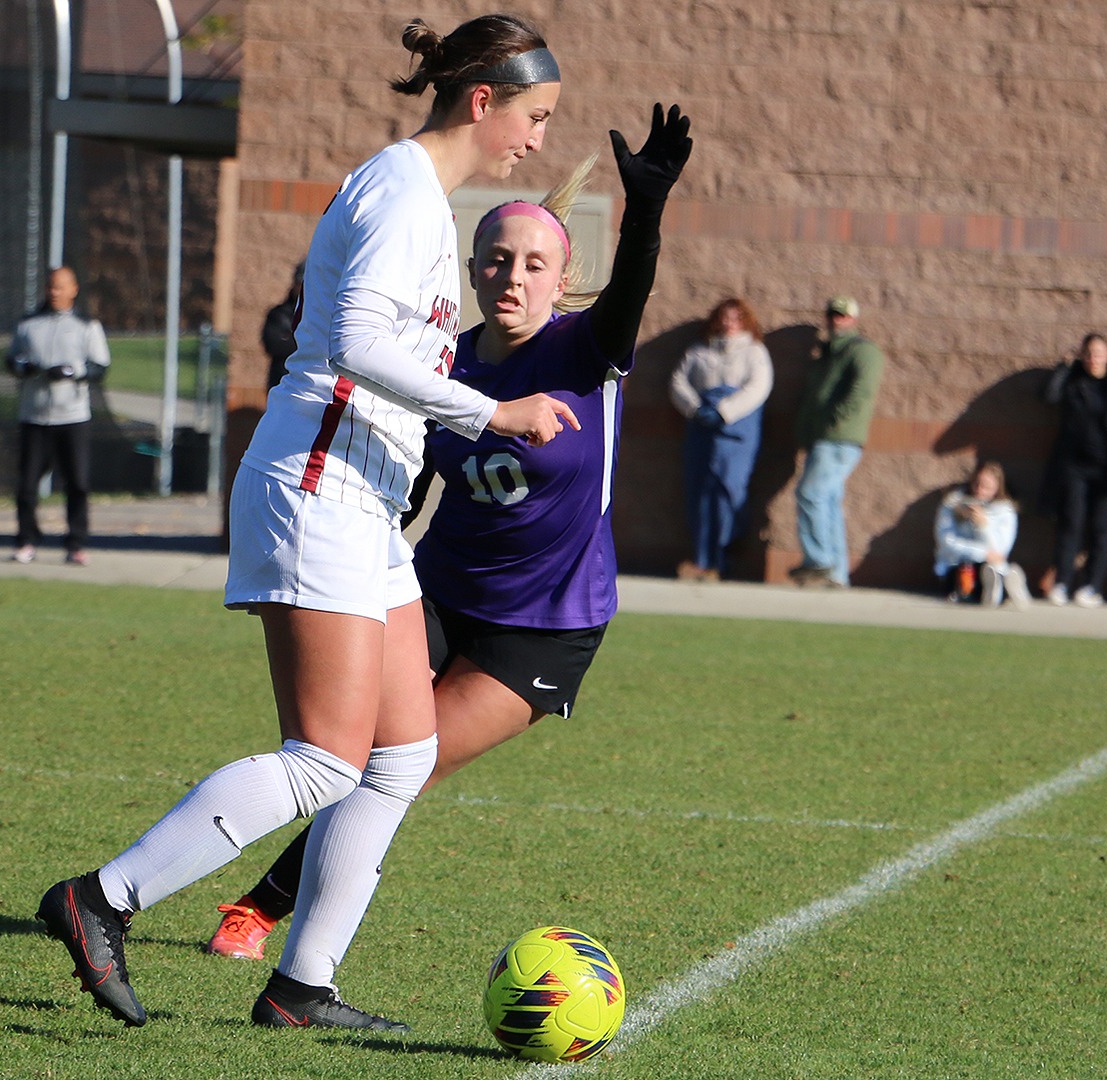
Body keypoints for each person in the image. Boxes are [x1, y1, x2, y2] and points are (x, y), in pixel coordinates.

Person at [35, 13, 577, 1033]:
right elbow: (352, 343)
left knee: (401, 754)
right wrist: (488, 410)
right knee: (325, 756)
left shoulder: (422, 197)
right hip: (317, 485)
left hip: (361, 501)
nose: (537, 139)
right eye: (535, 116)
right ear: (482, 101)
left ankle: (300, 986)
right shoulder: (403, 193)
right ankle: (102, 900)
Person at [208, 107, 690, 965]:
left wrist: (646, 208)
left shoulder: (588, 352)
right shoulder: (445, 366)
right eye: (498, 259)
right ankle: (286, 950)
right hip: (433, 591)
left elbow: (634, 293)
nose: (514, 276)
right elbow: (407, 484)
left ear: (562, 277)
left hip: (543, 624)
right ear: (471, 267)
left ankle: (260, 909)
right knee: (359, 749)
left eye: (535, 264)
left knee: (406, 765)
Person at [6, 266, 110, 566]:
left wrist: (73, 372)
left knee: (77, 482)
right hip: (34, 416)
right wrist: (24, 367)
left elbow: (100, 366)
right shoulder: (29, 324)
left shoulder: (86, 325)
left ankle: (76, 543)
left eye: (61, 287)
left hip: (72, 417)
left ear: (74, 289)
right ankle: (26, 540)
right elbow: (12, 358)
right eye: (51, 287)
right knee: (26, 485)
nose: (54, 292)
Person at [1040, 332, 1107, 607]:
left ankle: (1092, 587)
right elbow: (1048, 397)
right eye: (1088, 354)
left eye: (1098, 354)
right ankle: (1062, 583)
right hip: (1074, 467)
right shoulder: (1073, 380)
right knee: (1070, 524)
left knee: (1103, 529)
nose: (1093, 359)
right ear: (1082, 355)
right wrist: (1063, 367)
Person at [670, 297, 771, 582]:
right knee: (701, 491)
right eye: (724, 318)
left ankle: (726, 554)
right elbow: (678, 381)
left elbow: (758, 388)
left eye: (736, 318)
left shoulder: (754, 352)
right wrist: (694, 408)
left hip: (736, 431)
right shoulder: (699, 351)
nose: (729, 324)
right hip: (701, 428)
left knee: (729, 488)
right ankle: (703, 560)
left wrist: (725, 411)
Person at [791, 295, 883, 588]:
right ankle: (836, 575)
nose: (836, 319)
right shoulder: (828, 354)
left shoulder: (862, 351)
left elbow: (861, 392)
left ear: (853, 319)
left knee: (810, 494)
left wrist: (834, 420)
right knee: (828, 503)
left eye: (842, 315)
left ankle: (818, 561)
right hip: (823, 438)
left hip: (839, 438)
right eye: (832, 314)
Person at [934, 460, 1029, 609]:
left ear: (997, 488)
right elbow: (946, 541)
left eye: (987, 487)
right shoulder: (953, 503)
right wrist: (982, 552)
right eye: (977, 484)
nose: (979, 490)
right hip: (958, 562)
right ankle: (995, 592)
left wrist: (983, 526)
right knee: (967, 576)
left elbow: (1000, 551)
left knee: (992, 569)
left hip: (990, 564)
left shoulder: (1005, 511)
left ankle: (1007, 587)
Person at [262, 261, 305, 390]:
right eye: (300, 283)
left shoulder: (322, 315)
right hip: (282, 381)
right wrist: (305, 340)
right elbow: (274, 345)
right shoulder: (279, 314)